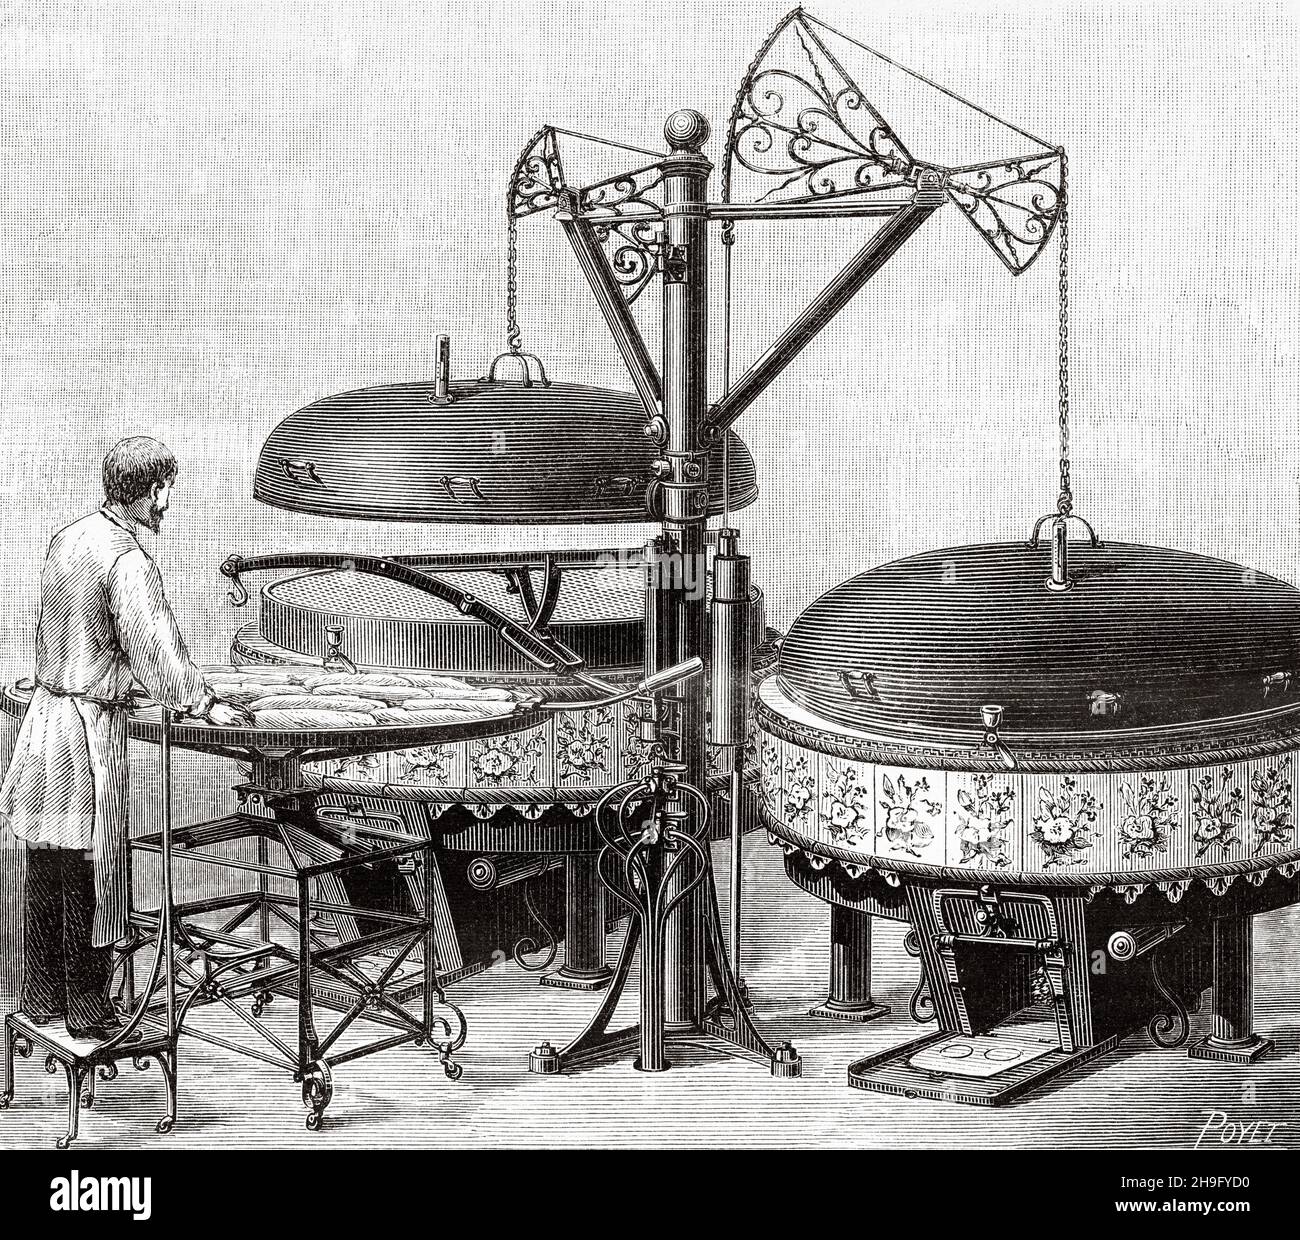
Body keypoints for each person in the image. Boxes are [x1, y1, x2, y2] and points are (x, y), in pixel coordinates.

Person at [0, 436, 248, 1039]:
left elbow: (74, 632)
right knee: (90, 870)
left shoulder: (70, 536)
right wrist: (200, 702)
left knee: (48, 867)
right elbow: (158, 652)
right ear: (150, 490)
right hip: (86, 732)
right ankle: (90, 1018)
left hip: (45, 715)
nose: (167, 505)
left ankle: (39, 1002)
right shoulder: (128, 558)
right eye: (164, 491)